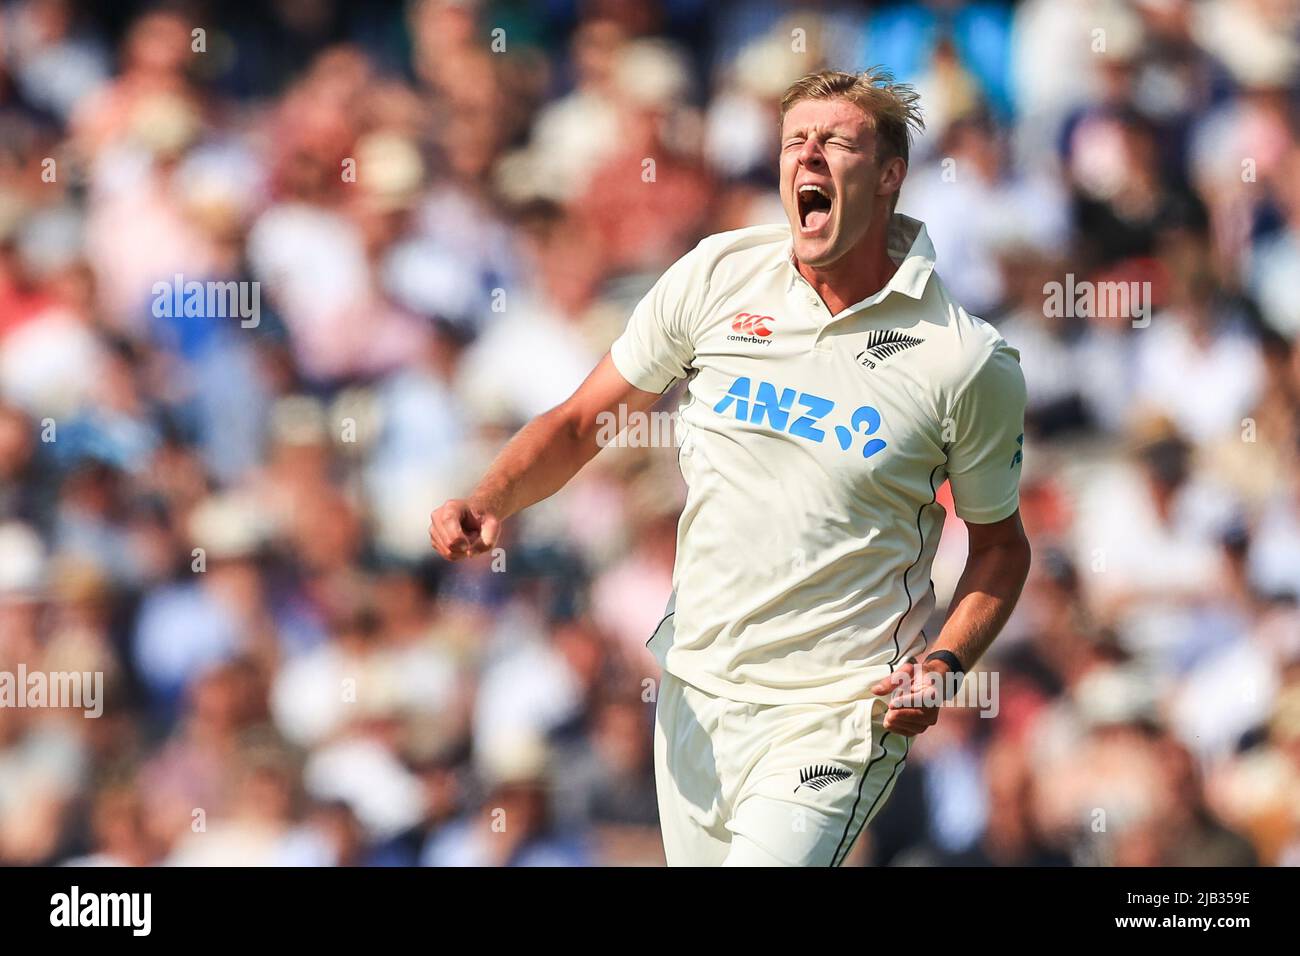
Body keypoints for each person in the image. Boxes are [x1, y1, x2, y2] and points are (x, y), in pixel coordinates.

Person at [429, 68, 1031, 867]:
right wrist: (490, 495)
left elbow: (1000, 547)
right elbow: (581, 422)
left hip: (838, 712)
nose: (808, 158)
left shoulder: (963, 358)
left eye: (836, 143)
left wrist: (947, 663)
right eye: (795, 143)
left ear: (889, 175)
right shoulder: (718, 275)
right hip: (696, 695)